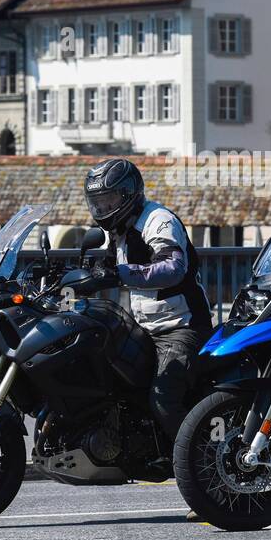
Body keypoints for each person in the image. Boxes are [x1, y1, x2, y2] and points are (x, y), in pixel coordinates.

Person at [83, 158, 212, 443]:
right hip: (144, 328)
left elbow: (173, 267)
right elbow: (105, 269)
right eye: (99, 202)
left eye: (110, 199)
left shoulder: (158, 220)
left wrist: (121, 274)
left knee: (163, 398)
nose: (103, 209)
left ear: (129, 193)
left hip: (182, 327)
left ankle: (200, 459)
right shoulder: (117, 230)